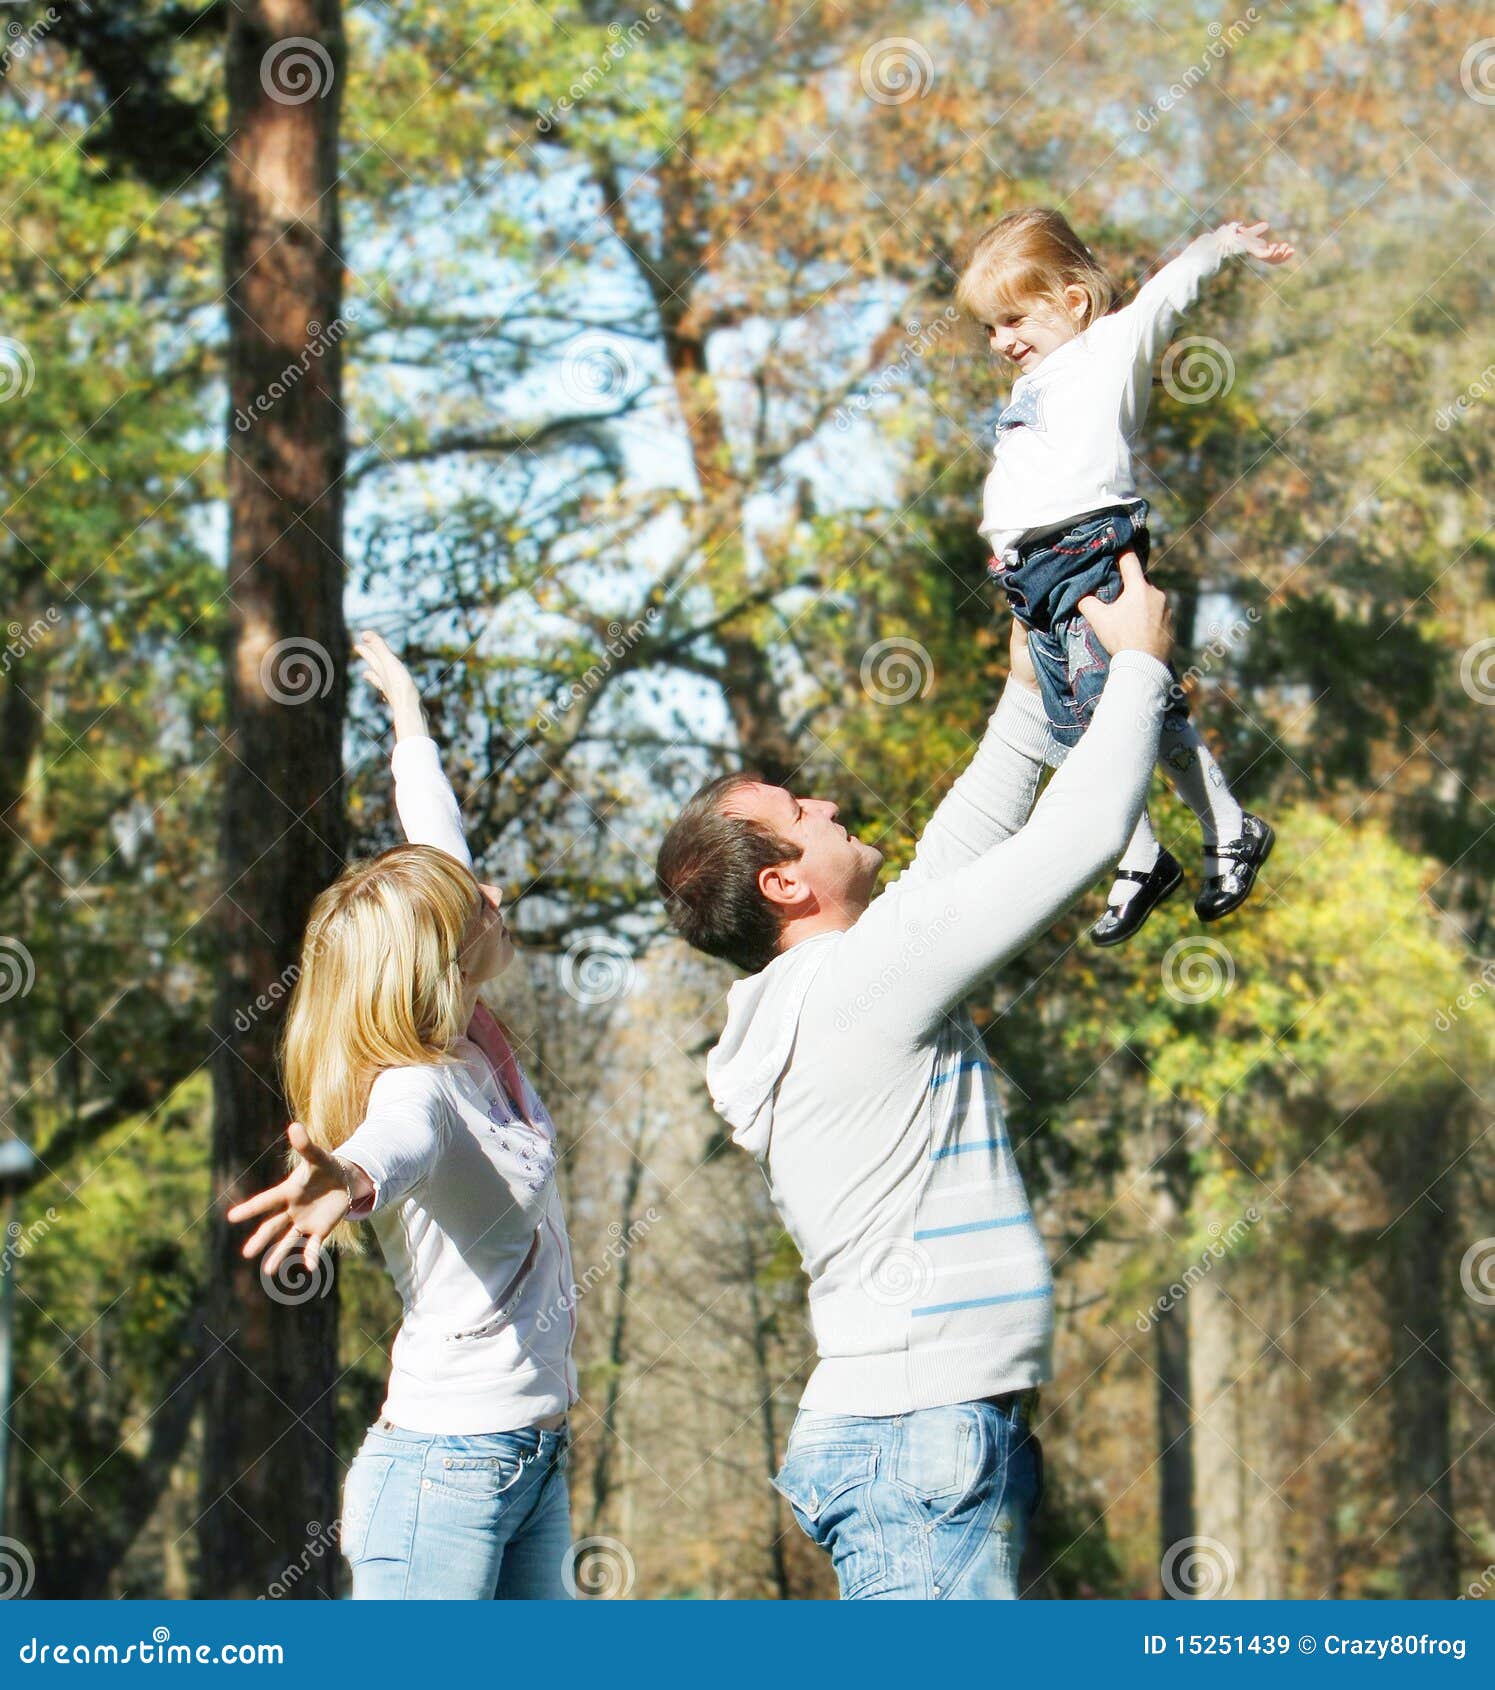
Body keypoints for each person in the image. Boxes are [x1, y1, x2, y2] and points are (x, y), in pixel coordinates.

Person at [655, 554, 1175, 1599]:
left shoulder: (836, 983)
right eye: (801, 808)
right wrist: (1140, 671)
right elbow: (1076, 837)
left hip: (922, 1436)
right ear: (783, 881)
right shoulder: (859, 983)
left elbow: (971, 827)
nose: (829, 798)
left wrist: (1042, 632)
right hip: (916, 1442)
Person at [226, 633, 577, 1600]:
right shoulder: (419, 1084)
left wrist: (410, 722)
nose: (493, 893)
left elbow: (437, 850)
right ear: (443, 957)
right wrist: (345, 1176)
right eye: (478, 905)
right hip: (443, 1474)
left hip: (530, 1457)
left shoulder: (470, 1028)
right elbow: (395, 1142)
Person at [956, 209, 1293, 945]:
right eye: (989, 328)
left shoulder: (1105, 348)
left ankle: (1223, 831)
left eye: (1013, 318)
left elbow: (1164, 293)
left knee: (1126, 705)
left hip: (1086, 550)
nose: (1000, 340)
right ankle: (1143, 857)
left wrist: (1226, 243)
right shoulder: (1033, 383)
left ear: (1071, 302)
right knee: (1072, 723)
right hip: (1031, 572)